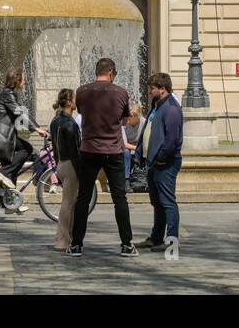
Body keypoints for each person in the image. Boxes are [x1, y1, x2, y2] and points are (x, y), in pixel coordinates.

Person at [68, 58, 136, 258]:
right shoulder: (121, 92)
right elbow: (123, 119)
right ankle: (126, 244)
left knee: (83, 198)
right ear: (112, 72)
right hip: (113, 150)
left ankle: (76, 244)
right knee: (119, 198)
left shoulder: (82, 91)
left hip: (89, 149)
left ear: (96, 71)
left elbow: (82, 113)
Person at [0, 67, 46, 214]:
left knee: (12, 167)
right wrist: (36, 129)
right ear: (17, 80)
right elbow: (19, 113)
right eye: (23, 78)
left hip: (1, 137)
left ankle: (9, 202)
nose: (26, 81)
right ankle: (3, 174)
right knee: (26, 149)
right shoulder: (8, 94)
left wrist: (37, 127)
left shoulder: (9, 94)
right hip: (0, 138)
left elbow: (21, 113)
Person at [137, 72, 183, 251]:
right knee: (158, 202)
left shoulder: (171, 108)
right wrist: (140, 154)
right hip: (154, 163)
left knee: (168, 202)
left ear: (162, 89)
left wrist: (161, 159)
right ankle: (156, 238)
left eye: (152, 89)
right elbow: (148, 130)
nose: (149, 92)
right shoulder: (157, 106)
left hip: (165, 163)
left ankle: (172, 242)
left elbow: (172, 140)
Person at [48, 88, 81, 253]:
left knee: (70, 203)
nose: (76, 101)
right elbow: (75, 150)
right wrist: (80, 168)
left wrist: (56, 164)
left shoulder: (55, 121)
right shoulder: (69, 123)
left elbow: (54, 146)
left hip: (61, 163)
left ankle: (68, 238)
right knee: (68, 204)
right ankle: (61, 240)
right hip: (70, 165)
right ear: (69, 102)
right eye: (74, 99)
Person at [121, 103, 143, 181]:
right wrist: (137, 148)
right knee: (126, 152)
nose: (129, 118)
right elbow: (124, 144)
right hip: (128, 147)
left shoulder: (144, 122)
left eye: (131, 116)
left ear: (137, 116)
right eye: (129, 115)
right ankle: (126, 179)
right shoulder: (123, 124)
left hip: (139, 147)